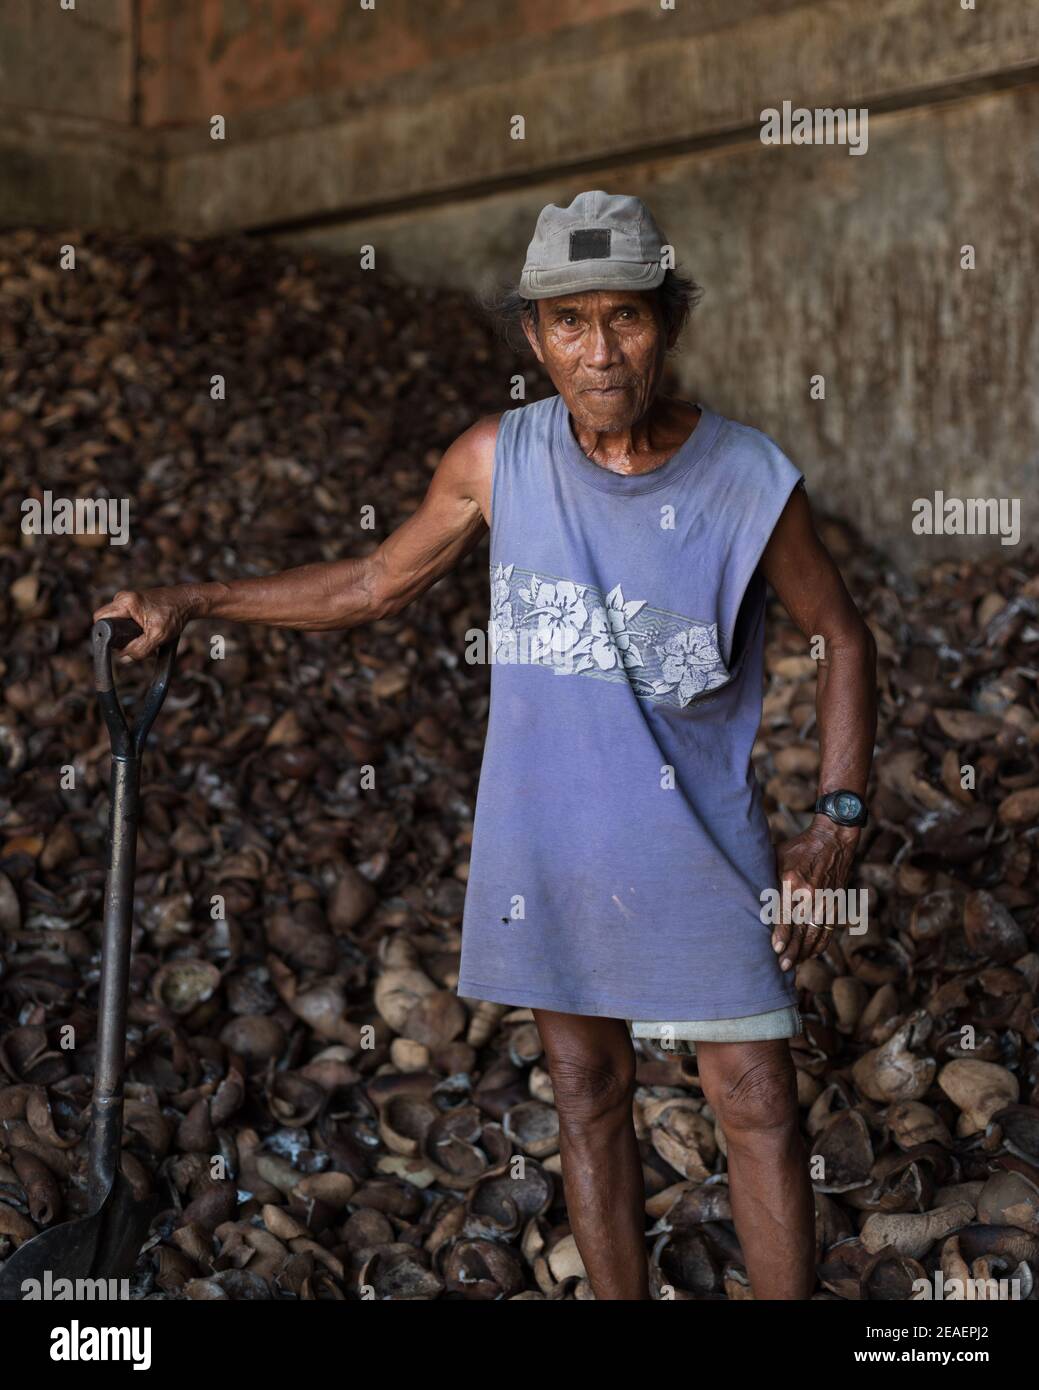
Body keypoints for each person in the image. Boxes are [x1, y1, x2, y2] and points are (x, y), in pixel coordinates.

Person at [95, 190, 877, 1300]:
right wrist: (196, 596)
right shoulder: (493, 459)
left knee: (754, 1098)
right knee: (584, 1092)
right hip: (548, 845)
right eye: (569, 323)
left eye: (627, 318)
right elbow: (373, 581)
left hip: (697, 849)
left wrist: (837, 820)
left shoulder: (747, 476)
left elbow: (840, 632)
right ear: (533, 336)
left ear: (669, 321)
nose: (600, 352)